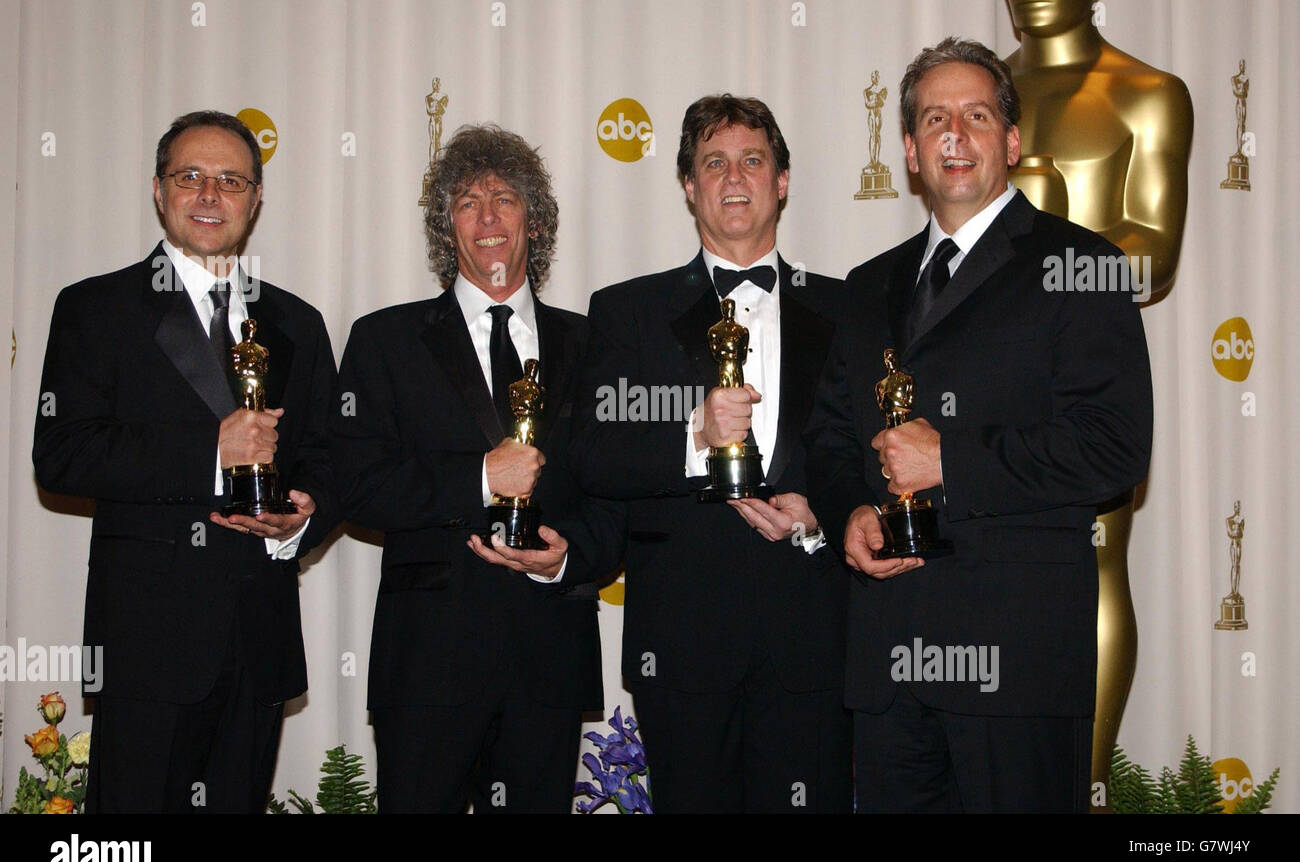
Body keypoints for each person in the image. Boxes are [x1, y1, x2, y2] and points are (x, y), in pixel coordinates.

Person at [805, 38, 1152, 813]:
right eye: (935, 119)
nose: (954, 134)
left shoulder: (1082, 266)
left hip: (1017, 668)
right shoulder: (867, 288)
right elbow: (829, 440)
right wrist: (849, 514)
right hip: (890, 666)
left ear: (1013, 141)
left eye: (976, 115)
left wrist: (951, 460)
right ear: (910, 150)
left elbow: (1114, 449)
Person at [33, 110, 339, 813]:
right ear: (158, 190)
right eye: (190, 177)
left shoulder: (295, 321)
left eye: (230, 180)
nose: (210, 194)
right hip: (145, 646)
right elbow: (61, 454)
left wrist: (301, 517)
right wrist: (212, 452)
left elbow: (328, 456)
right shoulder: (96, 309)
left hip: (258, 642)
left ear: (256, 200)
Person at [331, 124, 622, 813]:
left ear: (537, 220)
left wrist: (566, 558)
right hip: (426, 664)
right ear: (445, 228)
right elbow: (355, 483)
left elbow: (620, 491)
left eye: (505, 198)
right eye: (467, 202)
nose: (488, 217)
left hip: (548, 660)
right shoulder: (384, 341)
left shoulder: (594, 344)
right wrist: (479, 479)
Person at [573, 95, 851, 813]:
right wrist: (692, 438)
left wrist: (819, 517)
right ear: (689, 186)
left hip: (813, 643)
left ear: (782, 181)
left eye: (753, 160)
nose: (735, 177)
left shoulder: (850, 310)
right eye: (713, 163)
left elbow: (869, 459)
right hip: (685, 645)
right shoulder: (627, 311)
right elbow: (593, 456)